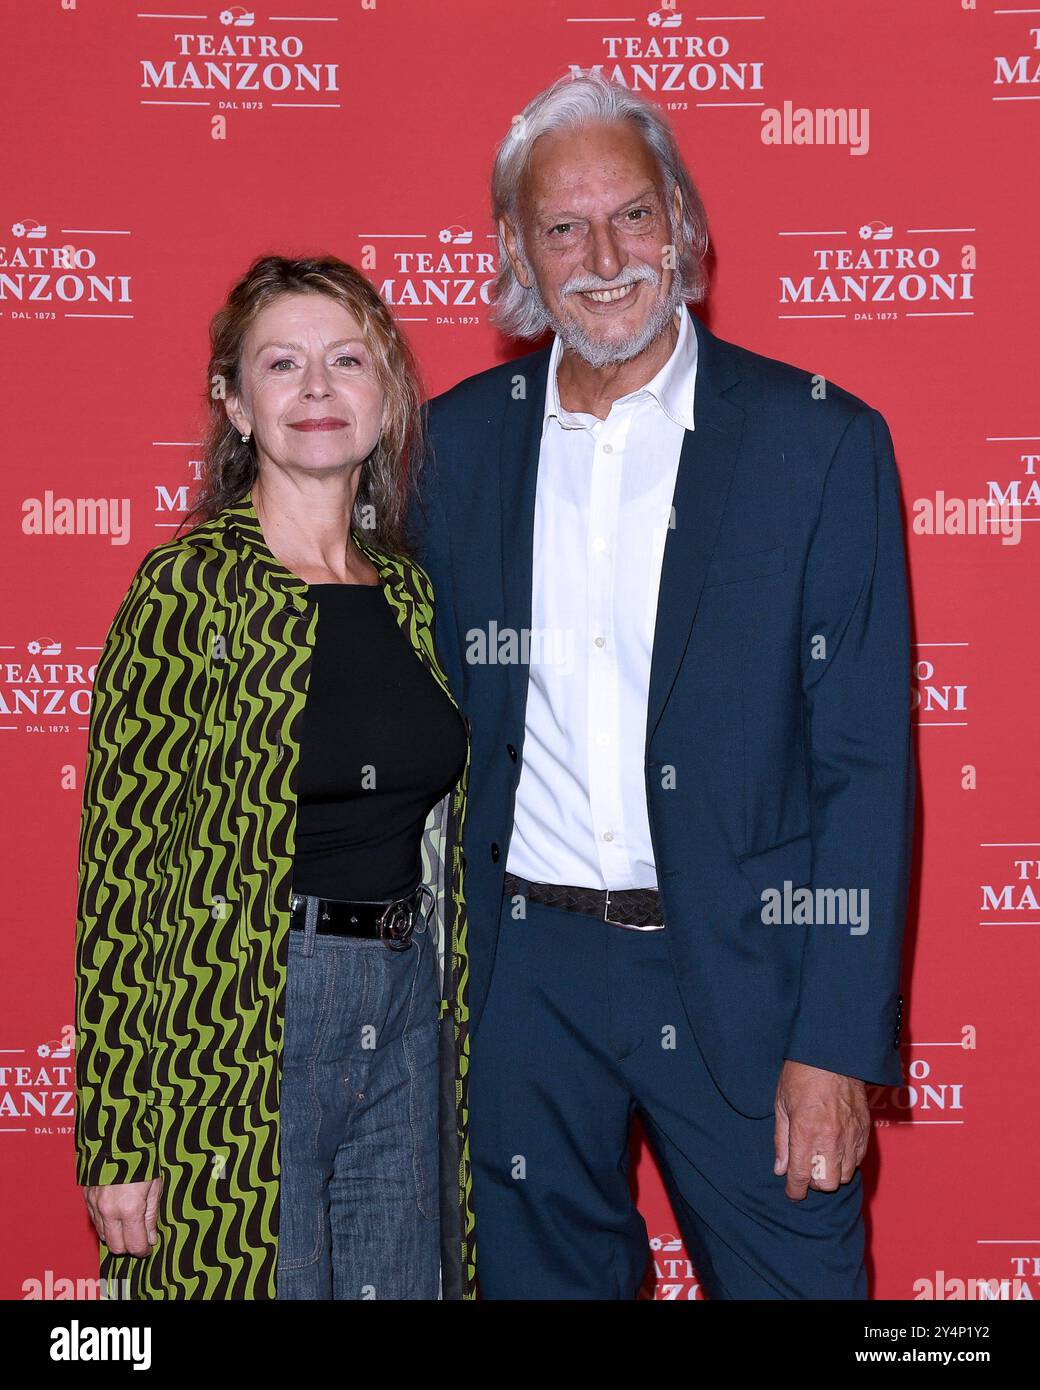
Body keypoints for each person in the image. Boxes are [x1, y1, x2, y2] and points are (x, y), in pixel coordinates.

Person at [409, 71, 915, 1299]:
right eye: (560, 226)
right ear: (515, 252)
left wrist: (835, 1045)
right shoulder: (453, 445)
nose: (600, 257)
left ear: (683, 222)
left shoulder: (820, 441)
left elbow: (861, 767)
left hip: (748, 979)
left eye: (630, 215)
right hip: (521, 980)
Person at [74, 254, 475, 1300]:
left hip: (406, 999)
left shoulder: (411, 594)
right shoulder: (184, 590)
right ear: (235, 405)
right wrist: (120, 1130)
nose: (315, 390)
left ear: (384, 396)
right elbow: (119, 879)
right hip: (246, 1014)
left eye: (346, 361)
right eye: (281, 365)